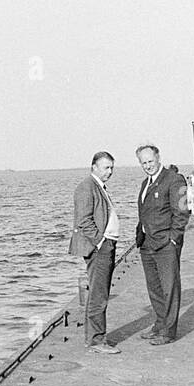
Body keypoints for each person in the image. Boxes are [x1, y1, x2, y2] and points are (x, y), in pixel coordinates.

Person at [135, 144, 190, 344]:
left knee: (169, 288)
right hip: (147, 244)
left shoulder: (175, 179)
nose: (148, 165)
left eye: (150, 161)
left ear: (159, 158)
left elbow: (183, 211)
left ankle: (168, 332)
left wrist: (173, 239)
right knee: (155, 288)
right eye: (144, 163)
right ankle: (159, 324)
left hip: (166, 244)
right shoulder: (145, 183)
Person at [69, 151, 122, 354]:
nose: (109, 172)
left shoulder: (97, 186)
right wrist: (100, 242)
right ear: (94, 167)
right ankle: (96, 341)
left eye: (111, 168)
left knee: (99, 292)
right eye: (106, 167)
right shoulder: (86, 187)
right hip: (100, 247)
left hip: (106, 244)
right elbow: (84, 220)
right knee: (99, 294)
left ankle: (95, 338)